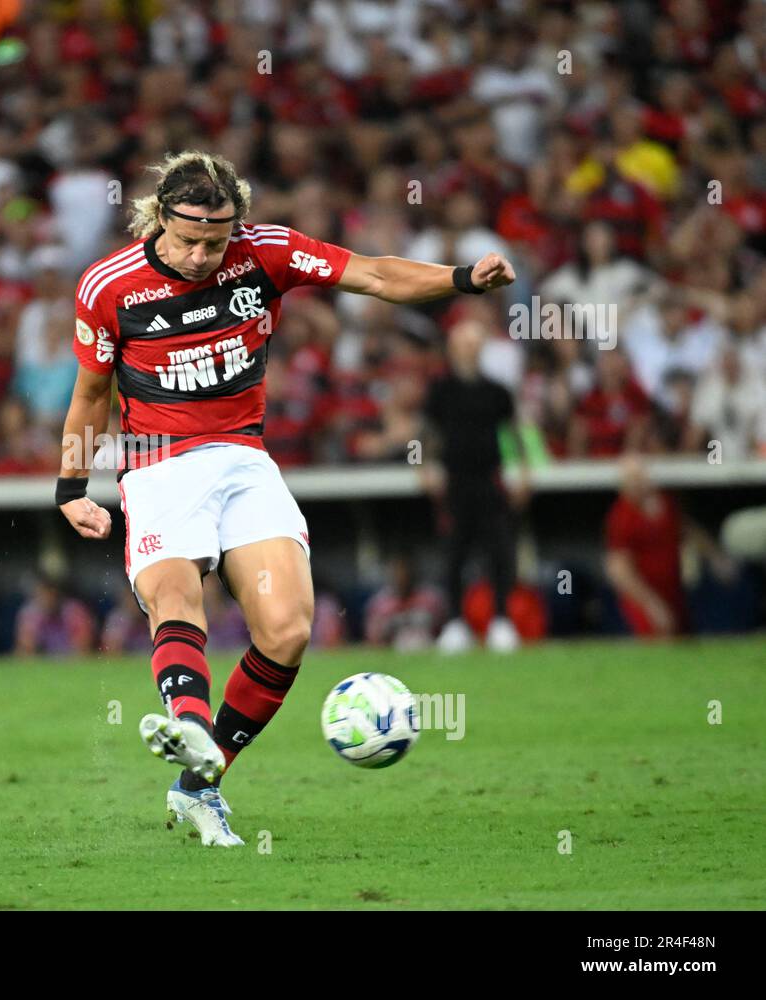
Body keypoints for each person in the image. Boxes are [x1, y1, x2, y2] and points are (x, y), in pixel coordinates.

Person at [54, 151, 514, 847]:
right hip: (156, 467)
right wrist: (69, 486)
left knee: (289, 630)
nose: (205, 254)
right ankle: (192, 724)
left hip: (243, 457)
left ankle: (200, 783)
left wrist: (461, 280)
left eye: (217, 240)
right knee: (176, 597)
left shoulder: (268, 252)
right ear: (159, 220)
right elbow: (90, 395)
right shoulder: (108, 286)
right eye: (189, 240)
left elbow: (376, 274)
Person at [421, 319, 531, 654]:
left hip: (489, 481)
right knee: (454, 554)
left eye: (474, 343)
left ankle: (500, 619)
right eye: (463, 343)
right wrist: (424, 467)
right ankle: (455, 622)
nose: (468, 349)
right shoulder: (440, 391)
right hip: (455, 484)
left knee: (499, 552)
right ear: (452, 348)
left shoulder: (497, 392)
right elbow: (427, 436)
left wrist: (523, 472)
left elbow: (515, 435)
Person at [604, 453, 735, 637]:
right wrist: (651, 604)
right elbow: (619, 570)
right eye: (630, 480)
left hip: (673, 591)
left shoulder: (666, 503)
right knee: (658, 640)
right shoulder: (621, 517)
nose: (636, 484)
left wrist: (715, 557)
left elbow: (687, 531)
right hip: (643, 598)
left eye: (639, 477)